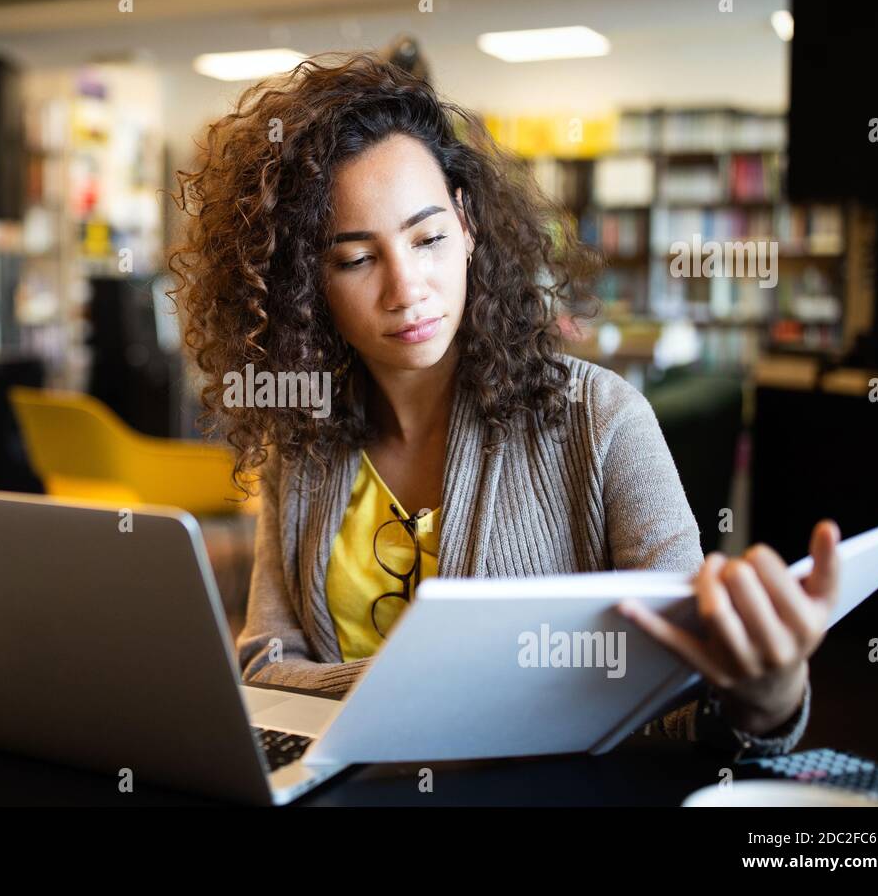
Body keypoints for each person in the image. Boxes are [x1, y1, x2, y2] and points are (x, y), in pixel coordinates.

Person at [169, 53, 839, 757]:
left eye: (426, 238)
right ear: (306, 283)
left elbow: (677, 698)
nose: (407, 289)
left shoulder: (604, 420)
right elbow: (263, 670)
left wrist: (767, 700)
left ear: (467, 226)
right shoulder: (299, 441)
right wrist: (488, 684)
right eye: (357, 259)